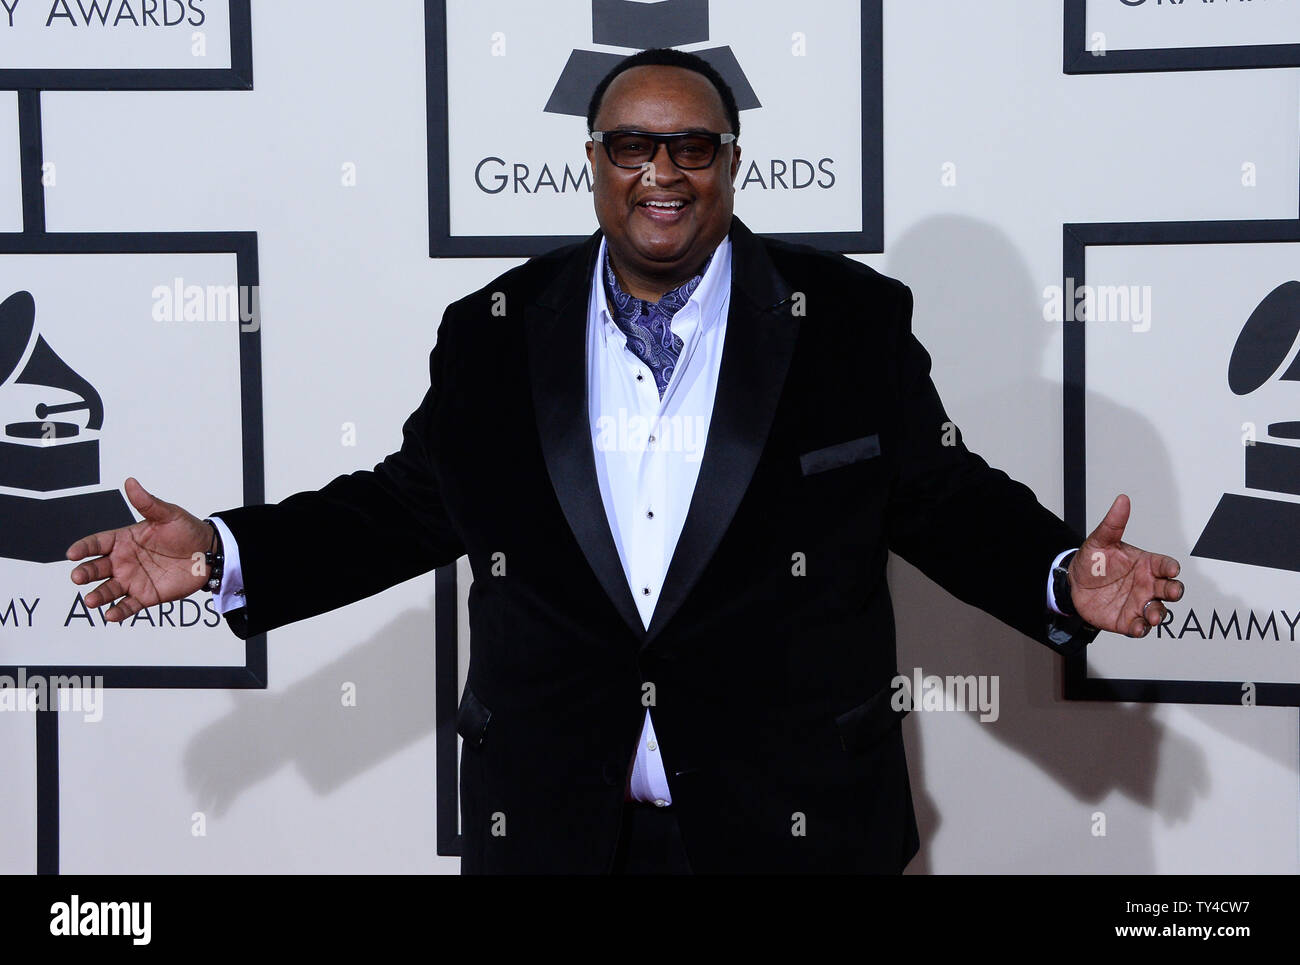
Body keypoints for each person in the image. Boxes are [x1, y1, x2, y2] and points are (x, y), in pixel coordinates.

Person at [65, 48, 1184, 874]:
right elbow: (405, 505)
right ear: (594, 164)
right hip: (558, 833)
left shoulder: (847, 321)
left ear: (731, 163)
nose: (664, 172)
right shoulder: (495, 330)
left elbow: (941, 497)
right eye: (633, 146)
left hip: (792, 834)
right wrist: (223, 551)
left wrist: (1058, 572)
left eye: (692, 146)